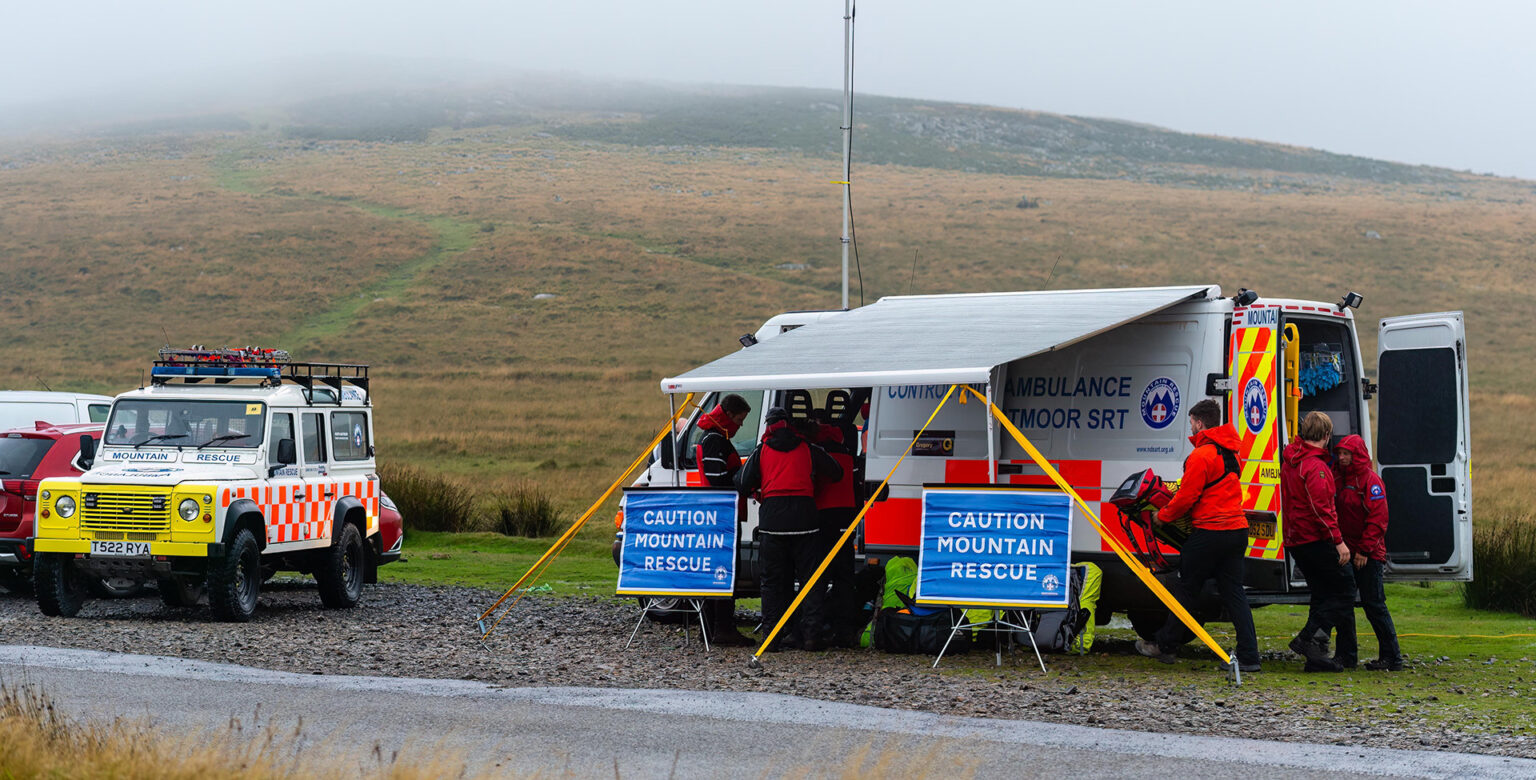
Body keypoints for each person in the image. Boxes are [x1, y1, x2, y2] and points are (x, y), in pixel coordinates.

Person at [1134, 399, 1261, 673]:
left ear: (1200, 422)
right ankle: (1250, 656)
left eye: (1191, 422)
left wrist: (1163, 515)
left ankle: (1165, 646)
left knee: (1185, 589)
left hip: (1210, 532)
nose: (1190, 428)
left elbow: (1187, 497)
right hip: (1236, 531)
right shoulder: (1231, 453)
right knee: (1234, 593)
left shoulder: (1201, 455)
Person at [736, 407, 843, 651]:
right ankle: (811, 636)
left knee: (772, 583)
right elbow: (836, 472)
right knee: (810, 582)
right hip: (805, 519)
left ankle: (772, 638)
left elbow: (741, 483)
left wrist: (760, 486)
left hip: (773, 522)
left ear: (768, 426)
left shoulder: (761, 450)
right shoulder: (807, 448)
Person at [1280, 411, 1357, 672]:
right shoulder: (1316, 467)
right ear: (1327, 435)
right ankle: (1307, 638)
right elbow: (1322, 509)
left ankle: (1317, 657)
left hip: (1294, 539)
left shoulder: (1291, 460)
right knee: (1345, 589)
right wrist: (1338, 541)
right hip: (1314, 538)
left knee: (1322, 593)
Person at [1334, 434, 1404, 671]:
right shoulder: (1339, 477)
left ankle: (1392, 657)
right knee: (1343, 604)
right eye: (1340, 453)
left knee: (1374, 604)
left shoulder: (1371, 481)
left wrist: (1364, 550)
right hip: (1347, 552)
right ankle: (1345, 655)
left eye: (1346, 454)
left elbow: (1378, 520)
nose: (1342, 457)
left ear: (1357, 455)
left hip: (1369, 554)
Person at [692, 394, 756, 646]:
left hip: (716, 513)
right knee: (726, 572)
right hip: (722, 514)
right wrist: (742, 479)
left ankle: (709, 629)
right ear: (727, 415)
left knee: (717, 572)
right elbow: (718, 479)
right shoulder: (715, 441)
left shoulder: (711, 437)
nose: (740, 426)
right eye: (739, 420)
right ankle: (723, 629)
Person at [808, 412, 860, 647]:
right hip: (846, 517)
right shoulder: (847, 452)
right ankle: (845, 631)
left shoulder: (816, 453)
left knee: (818, 577)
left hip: (823, 517)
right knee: (844, 578)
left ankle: (814, 630)